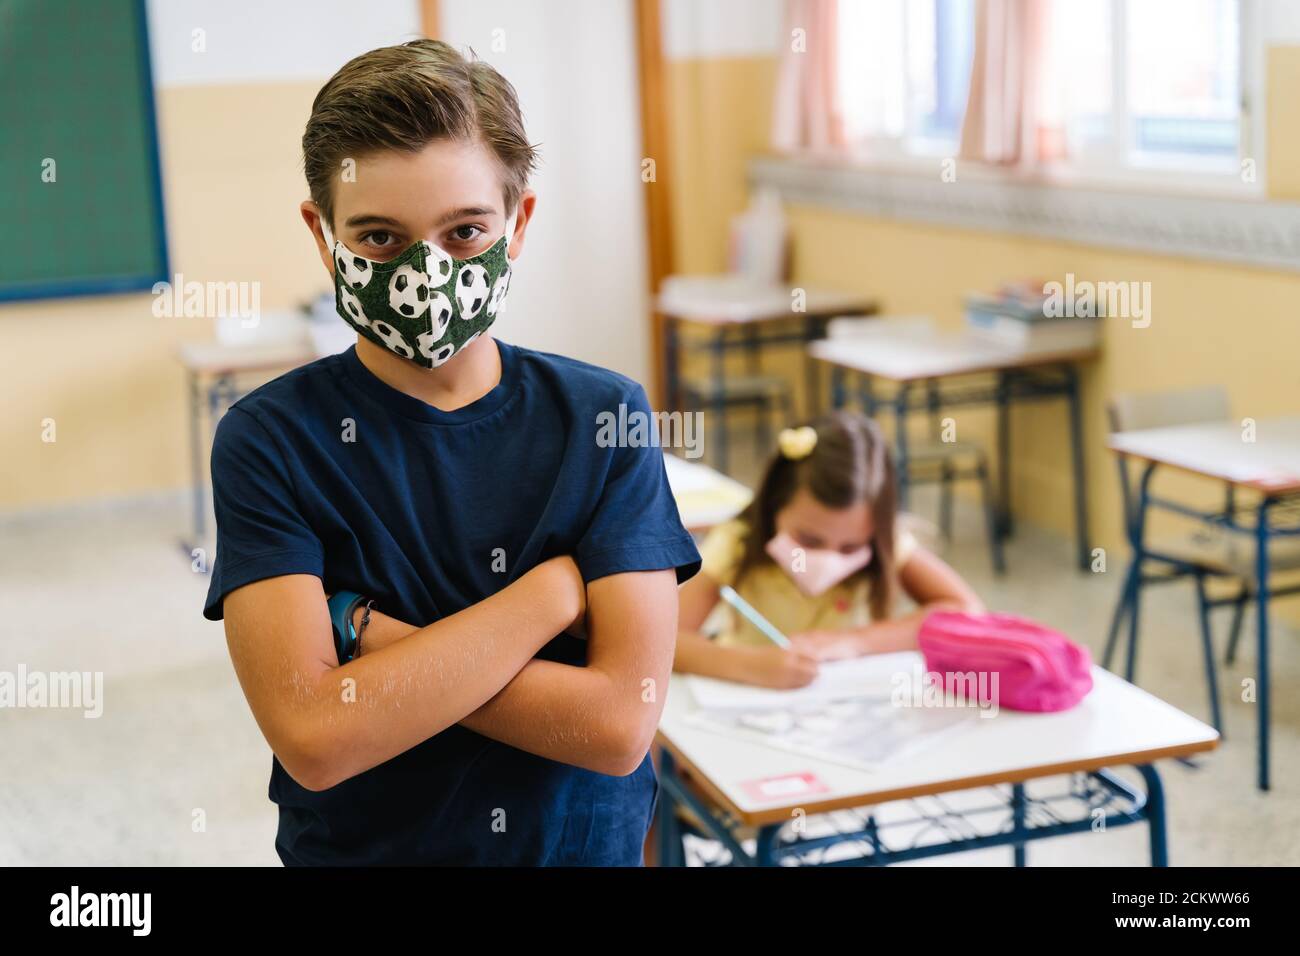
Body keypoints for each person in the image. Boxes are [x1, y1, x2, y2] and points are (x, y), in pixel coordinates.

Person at [203, 39, 700, 865]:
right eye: (379, 239)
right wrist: (545, 599)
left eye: (465, 232)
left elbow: (617, 726)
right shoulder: (269, 441)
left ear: (520, 222)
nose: (424, 276)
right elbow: (319, 739)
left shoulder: (606, 417)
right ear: (322, 236)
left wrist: (368, 636)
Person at [675, 411, 983, 688]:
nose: (828, 558)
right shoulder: (738, 540)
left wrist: (853, 642)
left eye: (850, 547)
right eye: (809, 540)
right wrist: (752, 666)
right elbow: (665, 642)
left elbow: (966, 611)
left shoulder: (885, 542)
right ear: (774, 507)